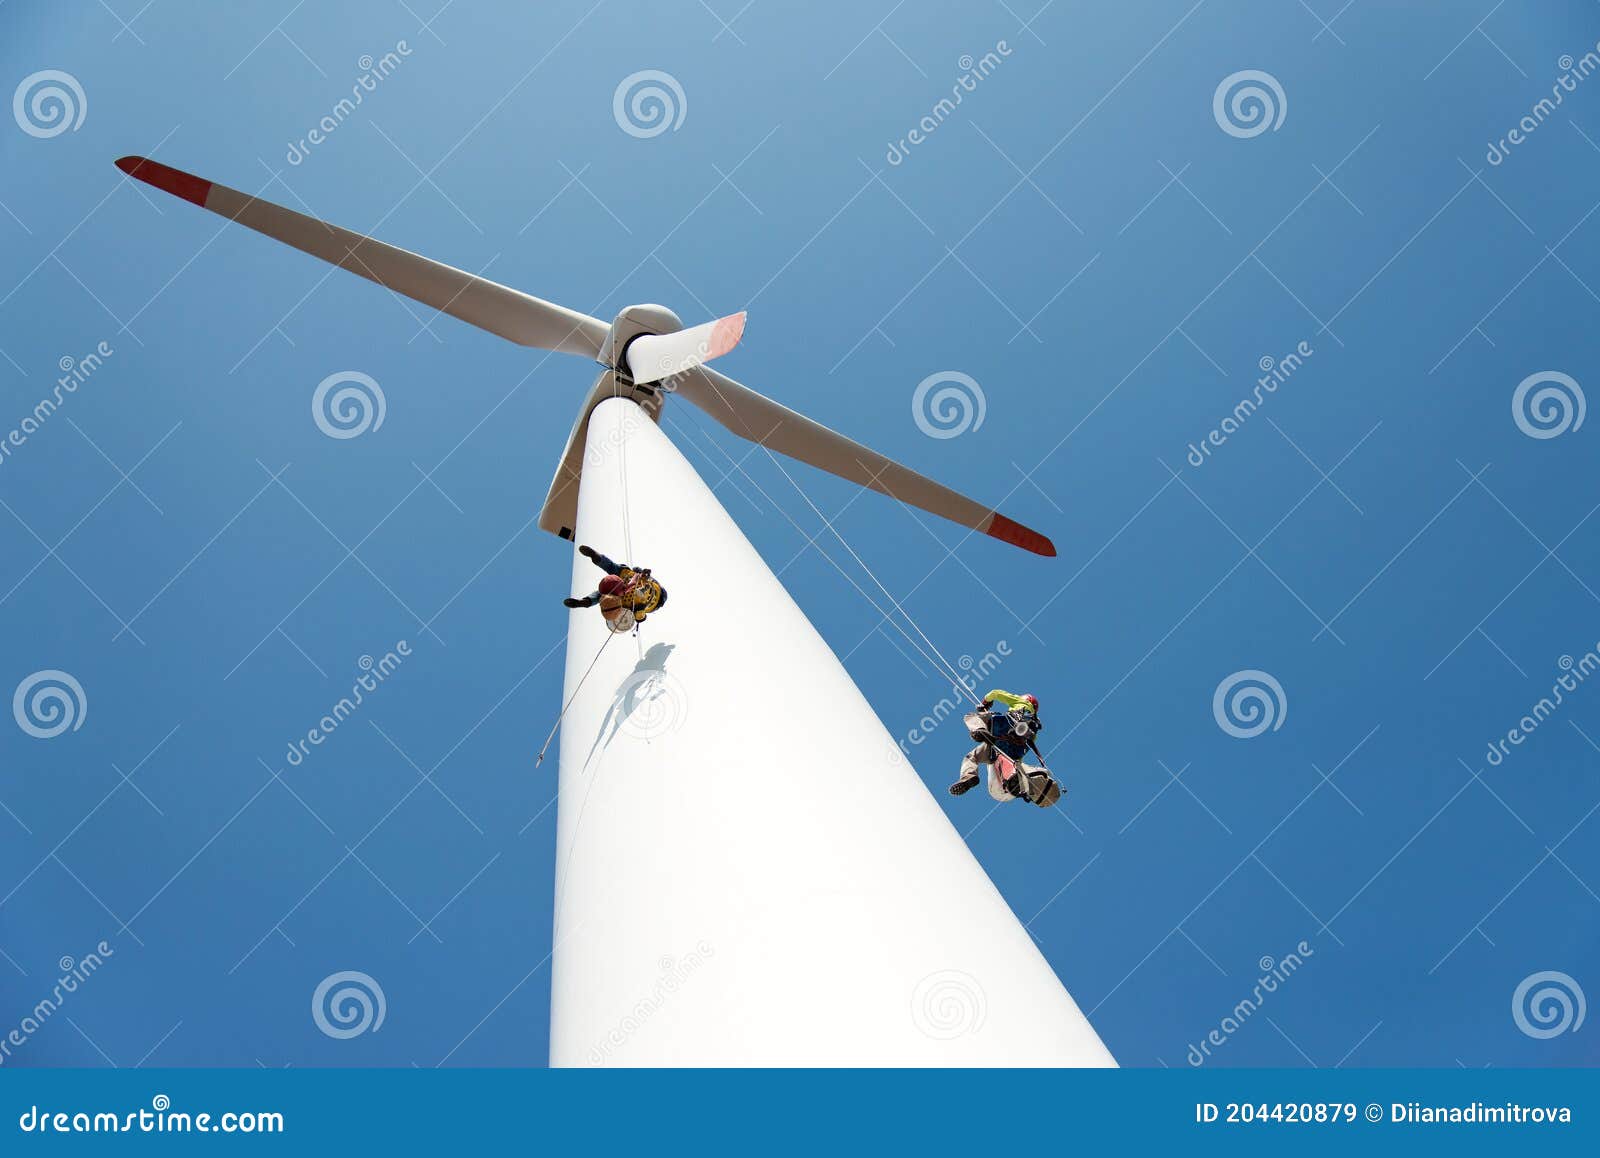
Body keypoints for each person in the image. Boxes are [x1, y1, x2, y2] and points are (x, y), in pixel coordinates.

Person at [949, 689, 1060, 807]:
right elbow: (1024, 749)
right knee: (1006, 761)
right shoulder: (1033, 727)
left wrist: (986, 702)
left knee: (971, 747)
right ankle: (1013, 777)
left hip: (1003, 729)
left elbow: (996, 693)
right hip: (1014, 748)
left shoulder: (1023, 702)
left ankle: (979, 734)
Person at [563, 545, 667, 630]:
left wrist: (642, 573)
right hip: (620, 585)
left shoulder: (634, 593)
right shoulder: (637, 590)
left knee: (610, 571)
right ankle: (586, 601)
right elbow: (639, 617)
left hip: (620, 584)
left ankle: (586, 600)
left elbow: (639, 617)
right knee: (605, 586)